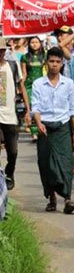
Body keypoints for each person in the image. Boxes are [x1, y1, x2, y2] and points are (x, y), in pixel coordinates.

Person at [30, 47, 74, 214]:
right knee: (46, 165)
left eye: (57, 62)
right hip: (45, 128)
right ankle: (52, 198)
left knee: (66, 163)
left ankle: (67, 199)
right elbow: (36, 107)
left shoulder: (68, 83)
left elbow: (73, 108)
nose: (54, 64)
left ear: (62, 63)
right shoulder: (38, 84)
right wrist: (39, 123)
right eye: (51, 61)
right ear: (46, 63)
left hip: (63, 127)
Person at [0, 42, 30, 190]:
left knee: (13, 151)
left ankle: (9, 172)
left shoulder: (12, 65)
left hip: (10, 115)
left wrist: (28, 110)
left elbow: (21, 87)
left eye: (1, 50)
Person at [20, 36, 45, 140]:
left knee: (40, 107)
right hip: (29, 85)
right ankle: (34, 132)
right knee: (31, 106)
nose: (34, 44)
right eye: (32, 42)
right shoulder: (25, 57)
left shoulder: (45, 56)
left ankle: (40, 128)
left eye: (36, 42)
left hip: (41, 84)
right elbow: (24, 73)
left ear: (40, 44)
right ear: (29, 44)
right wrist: (21, 83)